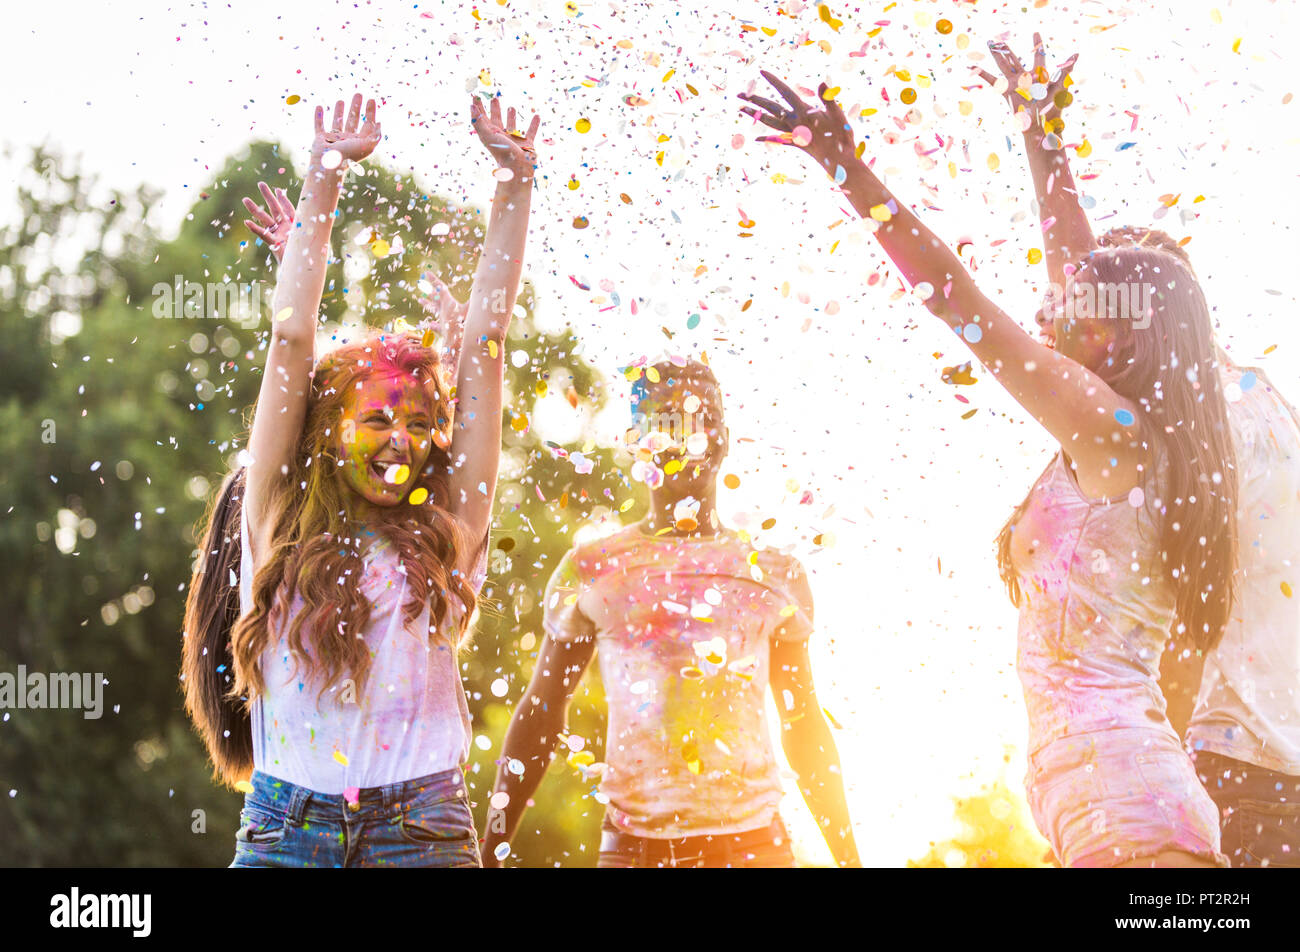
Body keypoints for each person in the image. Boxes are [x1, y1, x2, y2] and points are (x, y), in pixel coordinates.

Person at [741, 69, 1235, 867]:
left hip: (1123, 799)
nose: (1052, 308)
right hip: (1105, 793)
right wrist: (1041, 132)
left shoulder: (1114, 432)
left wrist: (845, 165)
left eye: (1080, 306)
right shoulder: (1126, 434)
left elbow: (954, 296)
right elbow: (1076, 269)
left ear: (1120, 336)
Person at [181, 92, 539, 866]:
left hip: (423, 830)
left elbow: (486, 344)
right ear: (328, 430)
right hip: (285, 830)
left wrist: (515, 182)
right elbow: (290, 335)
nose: (401, 440)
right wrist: (325, 174)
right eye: (377, 419)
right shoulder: (275, 515)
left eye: (417, 423)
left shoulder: (450, 531)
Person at [979, 36, 1300, 867]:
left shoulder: (1179, 437)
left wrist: (1040, 139)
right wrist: (1040, 136)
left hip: (1219, 769)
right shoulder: (1265, 404)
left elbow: (1074, 272)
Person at [481, 358, 860, 867]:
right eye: (665, 424)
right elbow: (542, 713)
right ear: (637, 441)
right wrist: (488, 850)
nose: (685, 439)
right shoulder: (593, 569)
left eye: (700, 420)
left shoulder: (773, 571)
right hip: (634, 851)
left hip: (755, 850)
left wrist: (850, 860)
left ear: (723, 438)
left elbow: (803, 723)